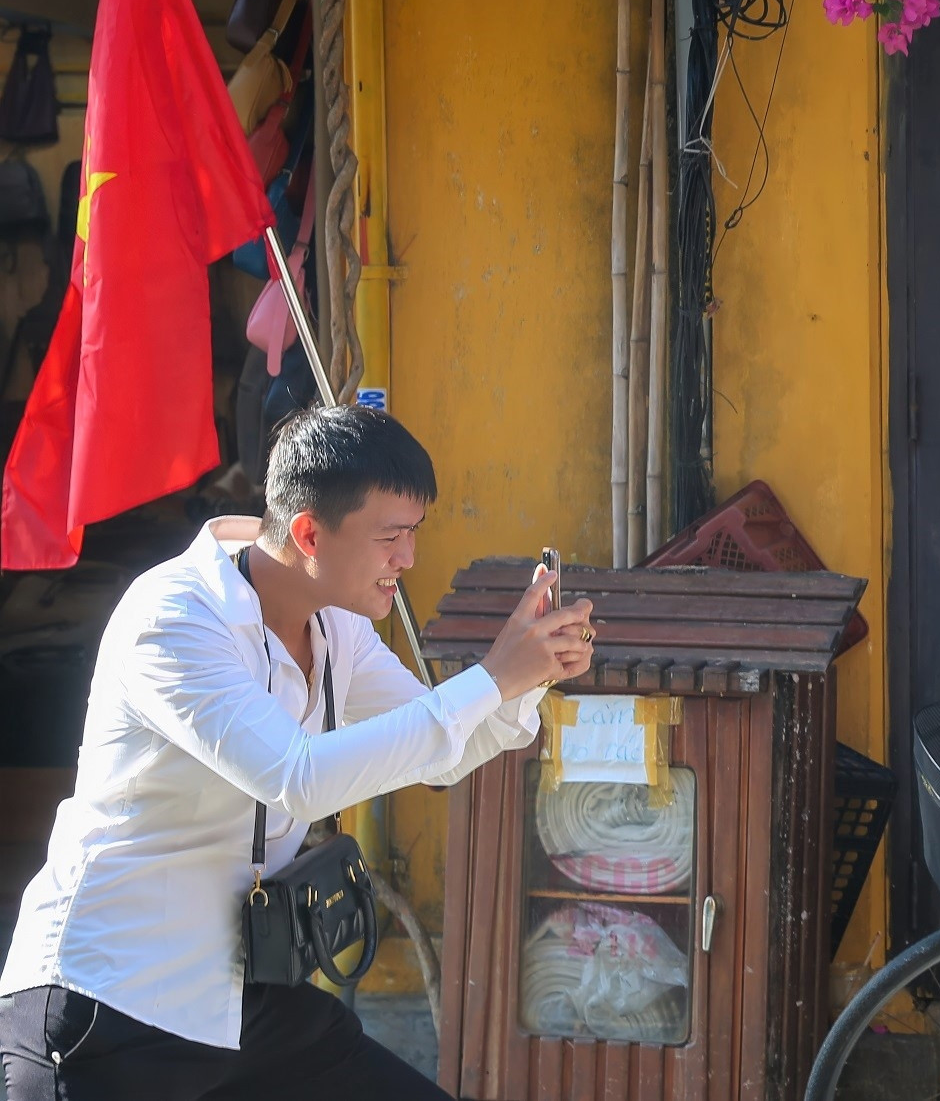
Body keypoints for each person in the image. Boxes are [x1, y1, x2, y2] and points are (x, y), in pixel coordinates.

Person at [0, 404, 596, 1100]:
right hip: (107, 1006)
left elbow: (438, 754)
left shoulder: (337, 625)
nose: (408, 557)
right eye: (391, 537)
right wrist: (492, 677)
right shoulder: (175, 617)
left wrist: (528, 679)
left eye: (414, 534)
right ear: (309, 532)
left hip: (240, 1001)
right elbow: (298, 778)